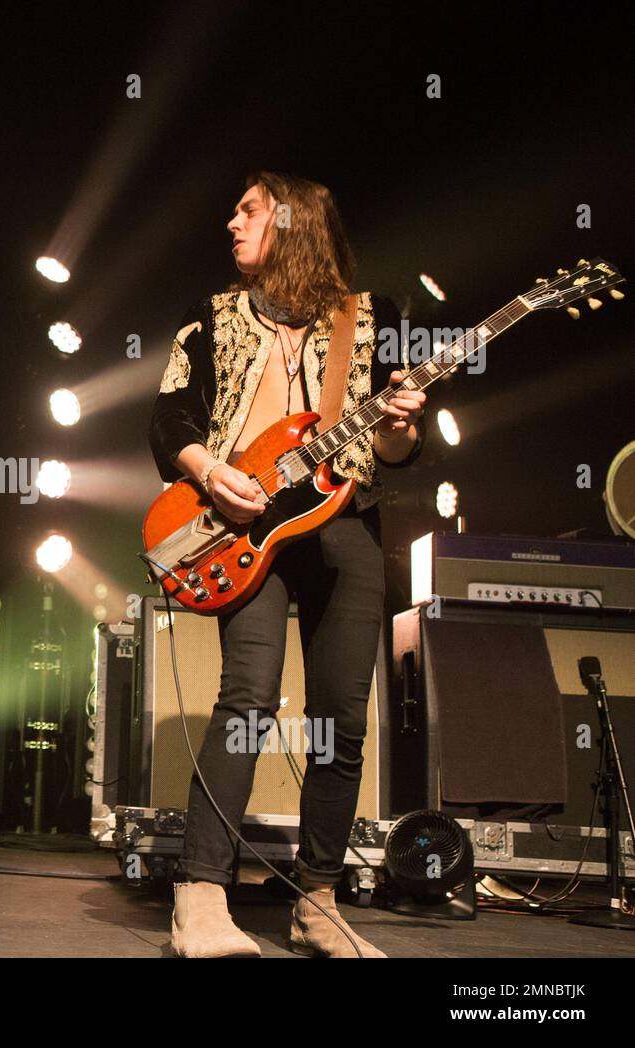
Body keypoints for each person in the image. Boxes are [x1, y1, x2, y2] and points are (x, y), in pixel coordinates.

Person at [149, 171, 425, 957]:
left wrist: (403, 425)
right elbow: (169, 415)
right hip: (245, 520)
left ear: (292, 221)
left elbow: (398, 450)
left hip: (346, 520)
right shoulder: (209, 317)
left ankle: (318, 902)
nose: (230, 222)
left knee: (342, 717)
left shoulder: (375, 319)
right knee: (249, 698)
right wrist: (211, 471)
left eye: (248, 210)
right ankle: (201, 895)